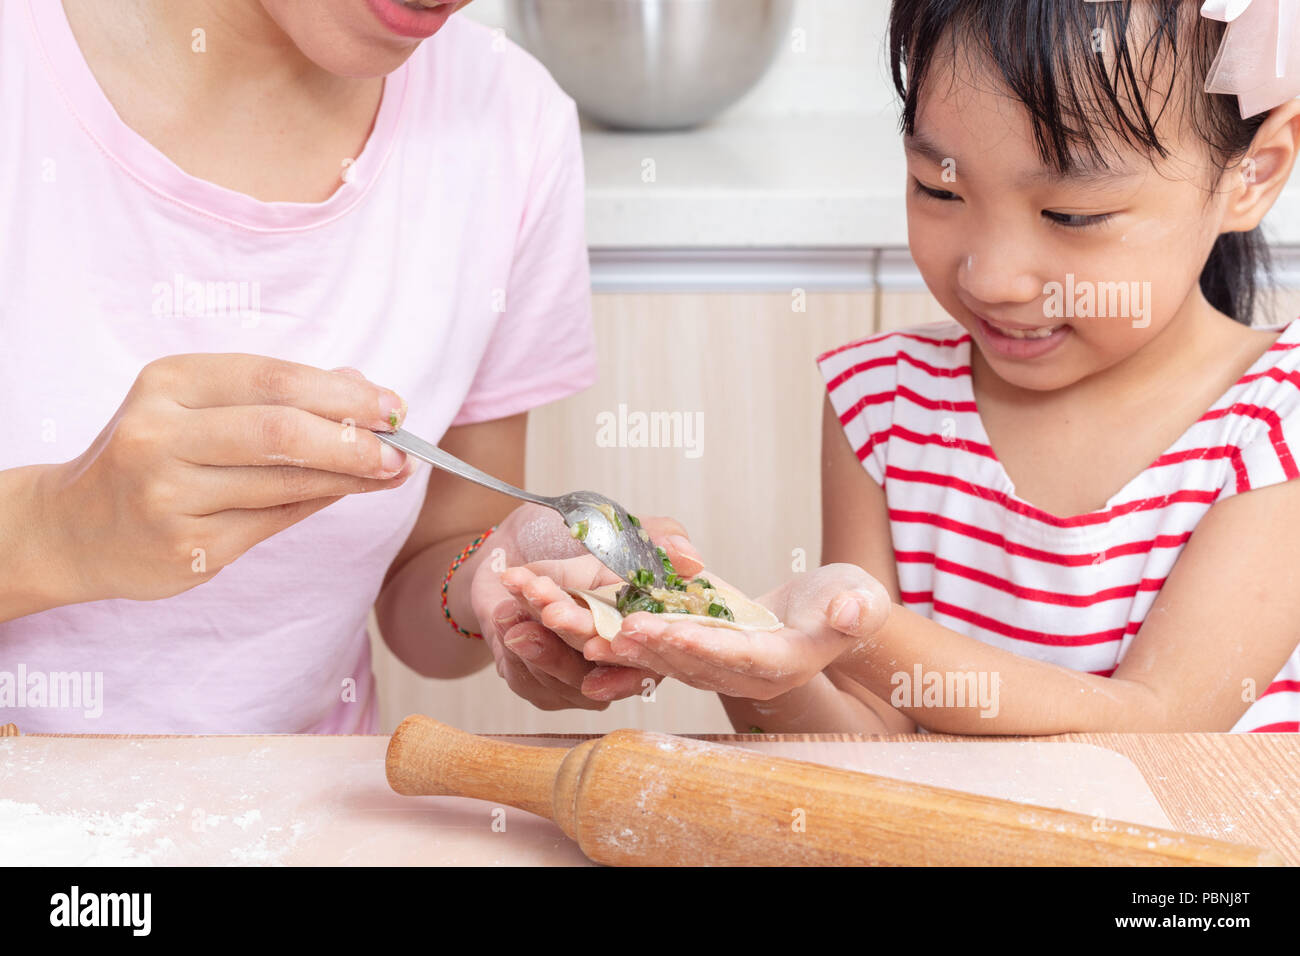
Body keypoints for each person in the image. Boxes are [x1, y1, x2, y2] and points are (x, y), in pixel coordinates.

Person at [499, 0, 1300, 734]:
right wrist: (734, 646)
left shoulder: (1276, 425)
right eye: (939, 189)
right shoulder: (886, 405)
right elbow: (869, 744)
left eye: (1071, 214)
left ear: (1253, 174)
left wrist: (857, 625)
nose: (991, 277)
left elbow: (1162, 726)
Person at [0, 0, 698, 732]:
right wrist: (58, 531)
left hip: (309, 823)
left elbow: (422, 581)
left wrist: (501, 586)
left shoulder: (508, 118)